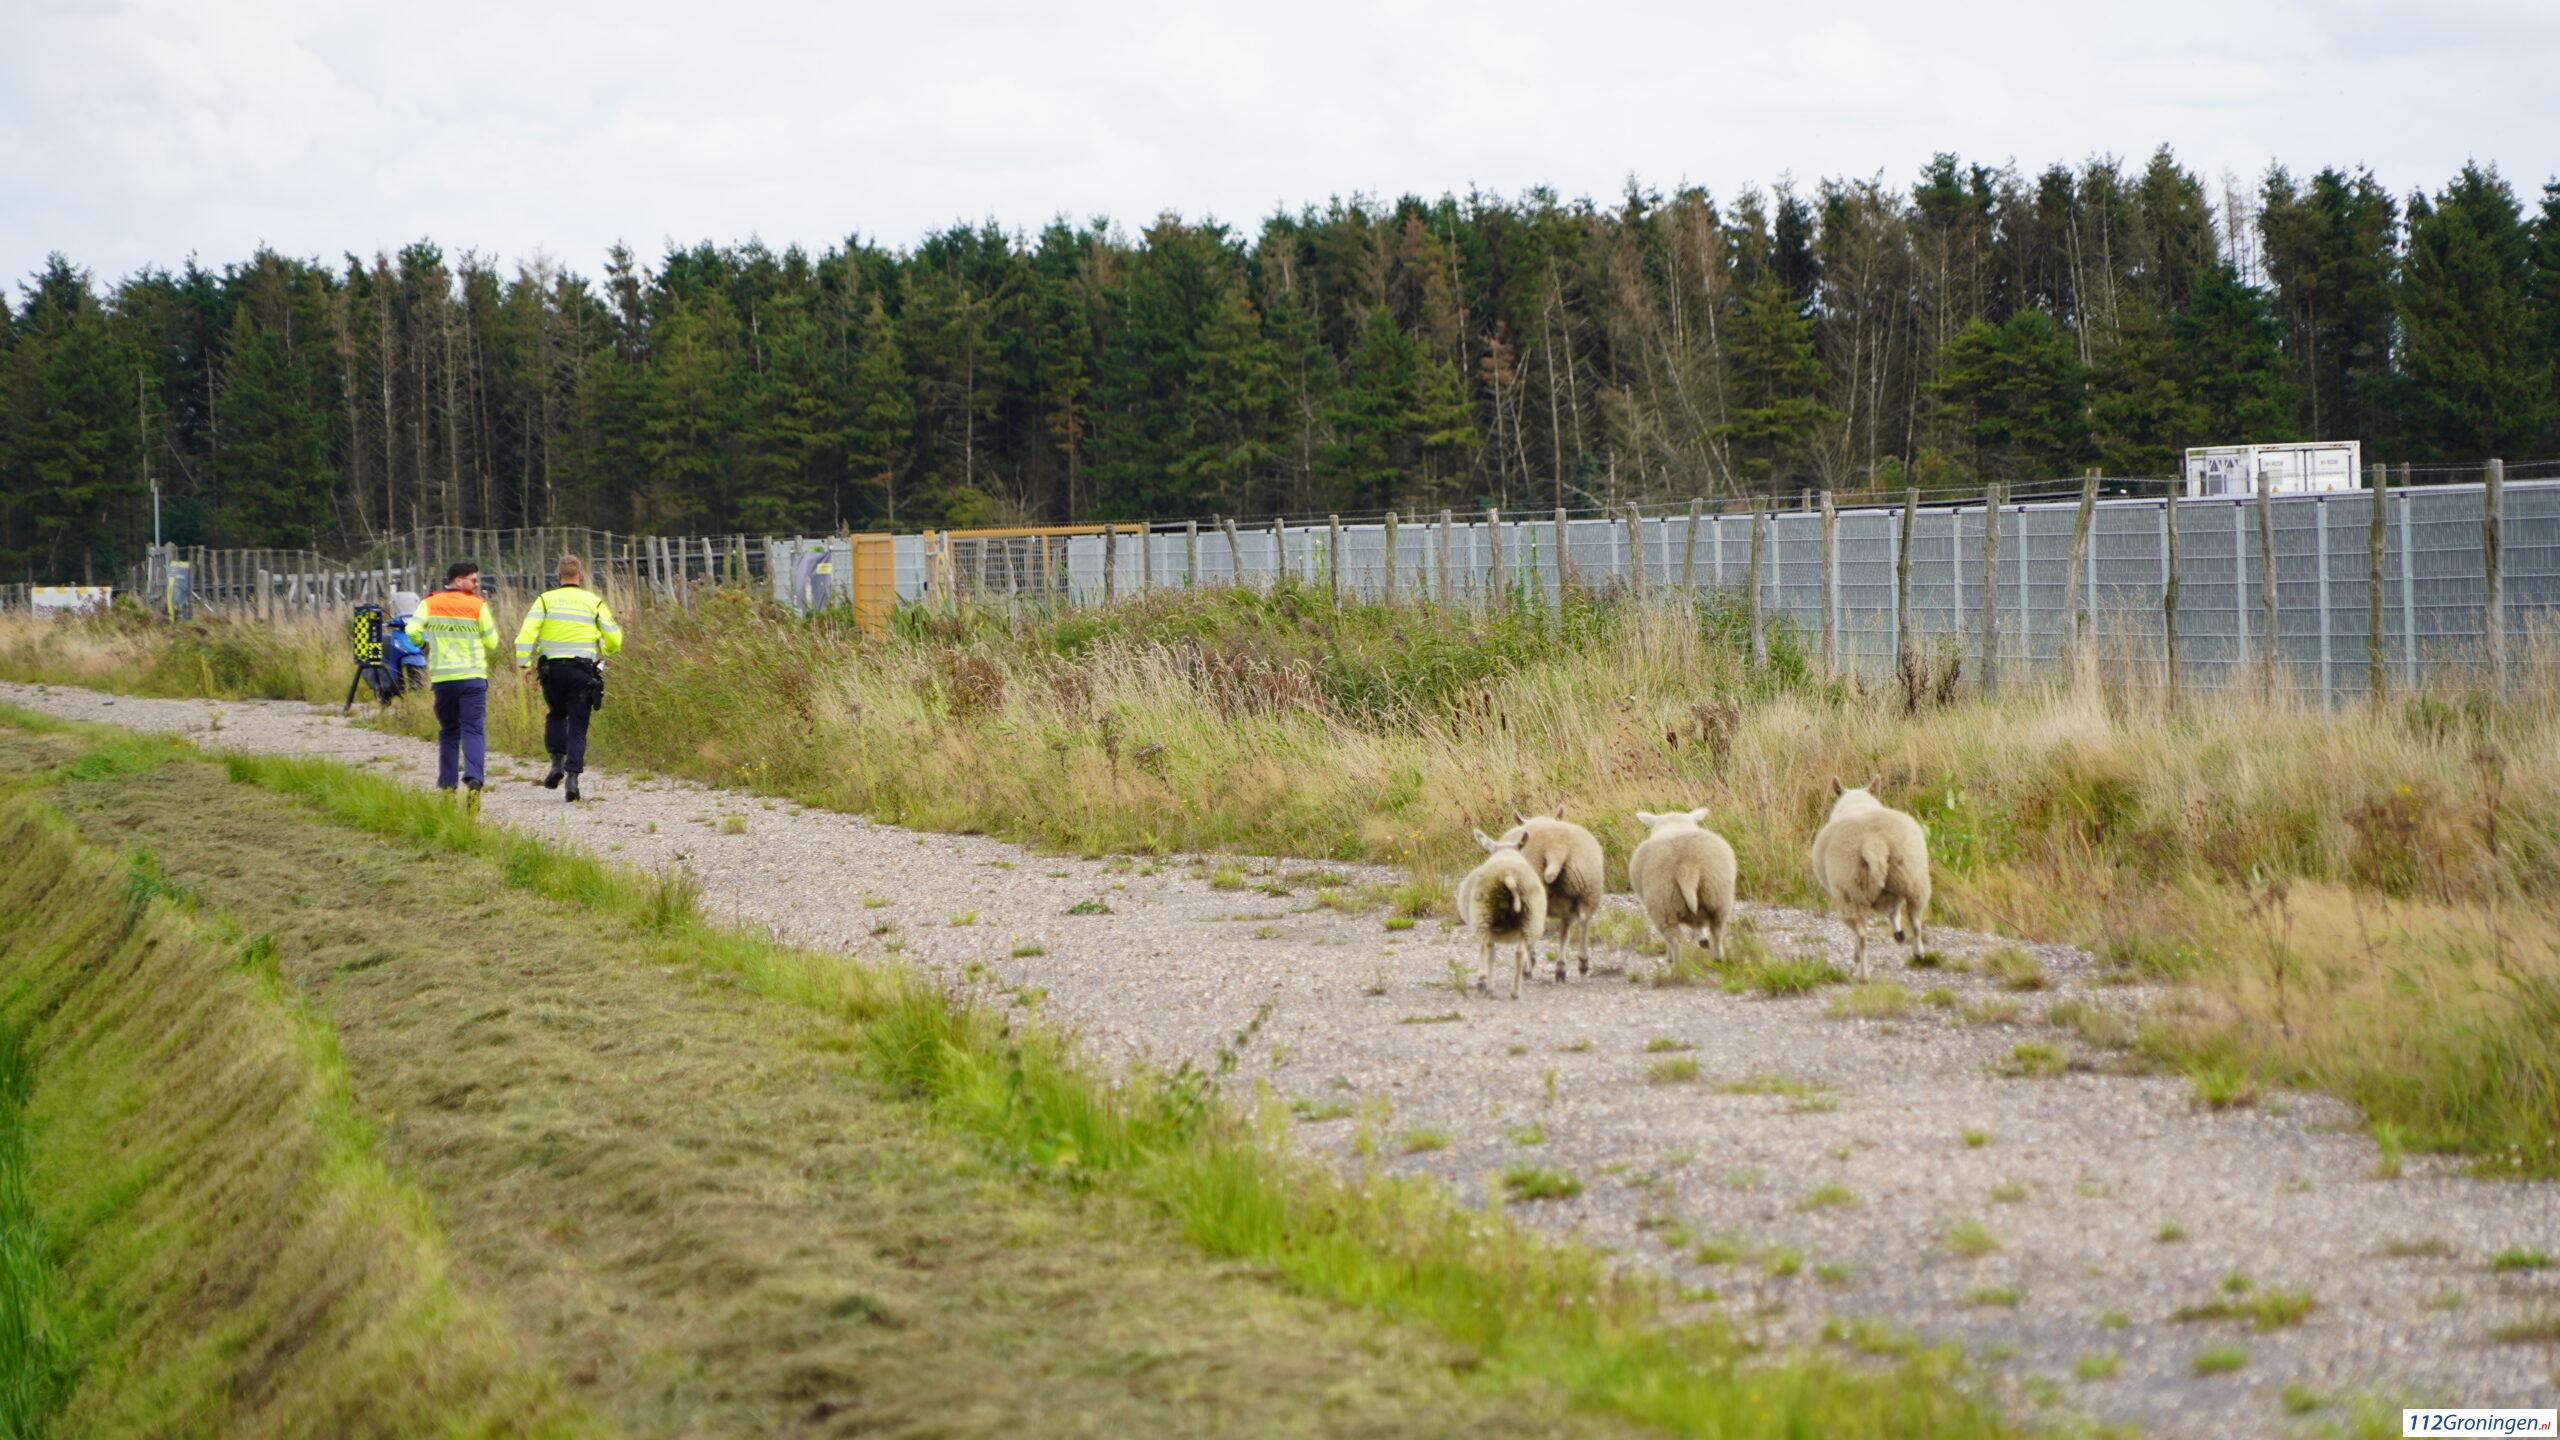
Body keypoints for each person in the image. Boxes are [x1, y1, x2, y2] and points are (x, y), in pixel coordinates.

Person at [514, 554, 622, 803]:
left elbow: (525, 635)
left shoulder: (544, 600)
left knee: (556, 714)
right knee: (578, 724)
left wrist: (524, 664)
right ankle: (572, 779)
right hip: (582, 670)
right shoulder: (593, 602)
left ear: (558, 576)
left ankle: (556, 765)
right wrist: (607, 653)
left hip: (552, 671)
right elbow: (614, 637)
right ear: (580, 575)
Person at [406, 562, 502, 805]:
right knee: (473, 729)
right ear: (458, 580)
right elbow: (492, 642)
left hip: (443, 679)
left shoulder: (430, 602)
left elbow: (412, 630)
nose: (477, 584)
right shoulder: (477, 605)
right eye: (473, 580)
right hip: (472, 678)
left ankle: (448, 785)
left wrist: (423, 645)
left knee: (449, 732)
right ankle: (474, 777)